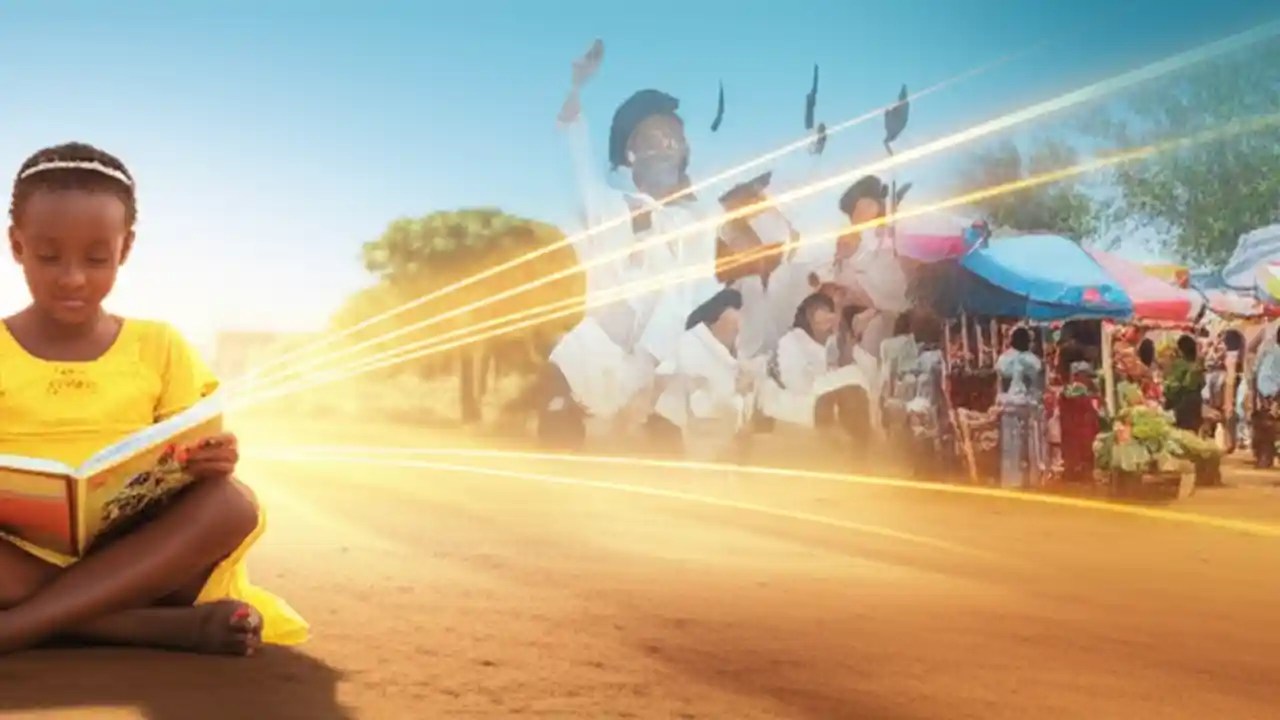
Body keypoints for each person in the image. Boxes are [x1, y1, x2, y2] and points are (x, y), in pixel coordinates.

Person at [0, 142, 308, 655]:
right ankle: (148, 626)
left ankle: (14, 627)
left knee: (231, 504)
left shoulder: (158, 344)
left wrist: (215, 459)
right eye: (49, 256)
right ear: (17, 245)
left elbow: (194, 446)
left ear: (125, 249)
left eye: (96, 258)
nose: (72, 277)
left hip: (143, 552)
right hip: (17, 555)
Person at [546, 42, 722, 442]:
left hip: (661, 386)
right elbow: (569, 153)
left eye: (675, 137)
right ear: (630, 154)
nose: (668, 145)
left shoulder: (695, 224)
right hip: (585, 371)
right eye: (656, 137)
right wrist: (576, 87)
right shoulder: (606, 207)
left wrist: (648, 374)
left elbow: (687, 300)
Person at [653, 289, 757, 460]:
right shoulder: (691, 345)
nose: (736, 331)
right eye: (732, 326)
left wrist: (747, 387)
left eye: (737, 328)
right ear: (714, 322)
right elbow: (700, 402)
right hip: (700, 440)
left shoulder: (735, 351)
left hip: (731, 442)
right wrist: (736, 388)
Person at [761, 293, 871, 445]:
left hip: (821, 408)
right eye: (822, 314)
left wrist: (847, 357)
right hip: (791, 408)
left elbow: (866, 376)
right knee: (849, 388)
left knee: (855, 387)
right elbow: (799, 386)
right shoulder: (791, 341)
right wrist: (841, 377)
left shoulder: (831, 345)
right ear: (809, 317)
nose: (829, 322)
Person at [995, 327, 1047, 489]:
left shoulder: (1003, 360)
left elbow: (1000, 384)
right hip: (1027, 406)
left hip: (1008, 405)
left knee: (1010, 446)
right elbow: (1038, 386)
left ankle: (1011, 481)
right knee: (1030, 446)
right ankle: (1030, 480)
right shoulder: (1033, 361)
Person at [1251, 326, 1280, 468]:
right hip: (1270, 394)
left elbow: (1255, 373)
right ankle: (1264, 456)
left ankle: (1264, 456)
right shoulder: (1268, 350)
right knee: (1266, 427)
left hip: (1264, 393)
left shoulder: (1266, 349)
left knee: (1264, 427)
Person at [1164, 334, 1205, 433]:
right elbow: (1202, 384)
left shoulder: (1179, 364)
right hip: (1195, 405)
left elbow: (1172, 388)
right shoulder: (1198, 366)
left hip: (1181, 404)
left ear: (1181, 350)